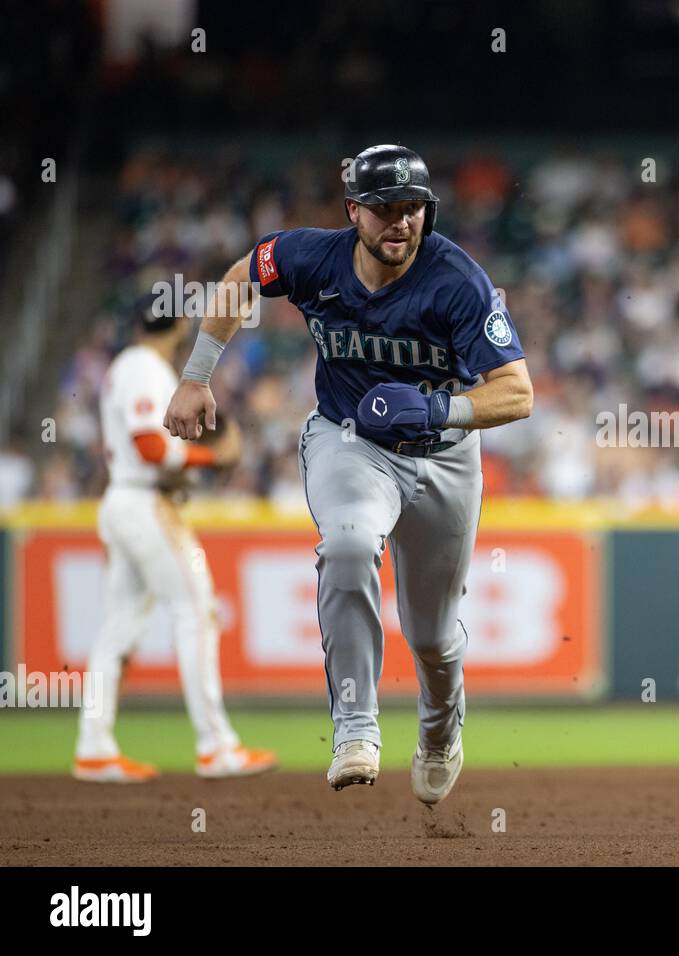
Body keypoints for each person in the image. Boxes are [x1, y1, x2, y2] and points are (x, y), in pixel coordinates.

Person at [163, 145, 533, 804]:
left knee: (433, 636)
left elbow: (518, 392)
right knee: (349, 544)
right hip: (349, 439)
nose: (401, 221)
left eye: (413, 207)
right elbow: (241, 277)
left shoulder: (458, 280)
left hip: (445, 454)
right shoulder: (310, 256)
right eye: (384, 208)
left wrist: (441, 408)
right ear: (353, 210)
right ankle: (356, 727)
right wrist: (196, 376)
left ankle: (440, 733)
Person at [74, 307, 278, 782]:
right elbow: (150, 446)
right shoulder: (146, 367)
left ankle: (94, 747)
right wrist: (213, 457)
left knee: (117, 629)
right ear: (181, 327)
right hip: (146, 503)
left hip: (123, 500)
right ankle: (216, 746)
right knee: (196, 610)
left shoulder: (125, 365)